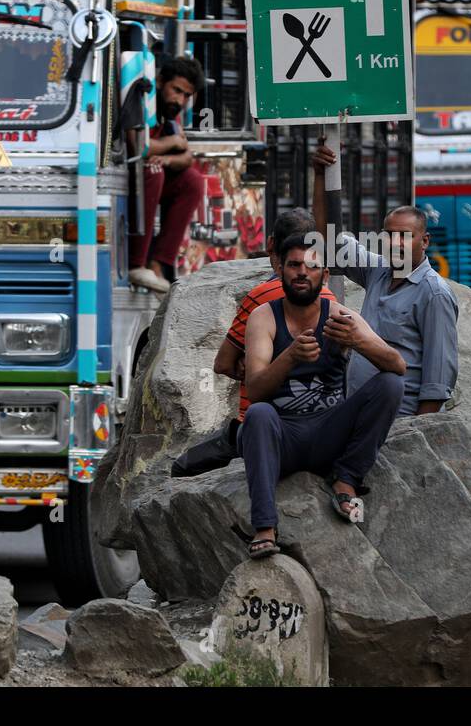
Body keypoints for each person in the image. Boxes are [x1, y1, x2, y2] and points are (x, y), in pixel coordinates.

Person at [239, 234, 406, 557]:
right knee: (258, 415)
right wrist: (289, 356)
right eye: (294, 265)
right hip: (282, 438)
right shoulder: (263, 318)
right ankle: (264, 527)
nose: (302, 272)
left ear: (325, 275)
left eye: (312, 266)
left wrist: (359, 341)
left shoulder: (339, 316)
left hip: (328, 437)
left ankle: (346, 480)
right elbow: (256, 391)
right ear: (280, 269)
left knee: (389, 385)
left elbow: (397, 366)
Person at [168, 208, 336, 478]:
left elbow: (222, 364)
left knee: (181, 468)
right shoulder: (332, 304)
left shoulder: (263, 299)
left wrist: (257, 366)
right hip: (316, 424)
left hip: (261, 423)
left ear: (272, 247)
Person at [311, 143, 459, 416]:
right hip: (359, 414)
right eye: (389, 234)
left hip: (399, 422)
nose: (395, 242)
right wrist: (321, 176)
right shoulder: (377, 271)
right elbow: (328, 240)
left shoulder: (434, 293)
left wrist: (416, 437)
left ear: (424, 241)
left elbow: (437, 381)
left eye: (404, 235)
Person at [126, 55, 207, 293]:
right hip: (129, 178)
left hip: (152, 177)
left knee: (193, 181)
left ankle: (159, 264)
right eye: (177, 90)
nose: (180, 100)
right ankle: (136, 263)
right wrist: (170, 143)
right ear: (160, 81)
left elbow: (186, 157)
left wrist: (168, 157)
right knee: (153, 170)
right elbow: (138, 146)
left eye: (186, 96)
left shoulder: (170, 115)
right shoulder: (140, 100)